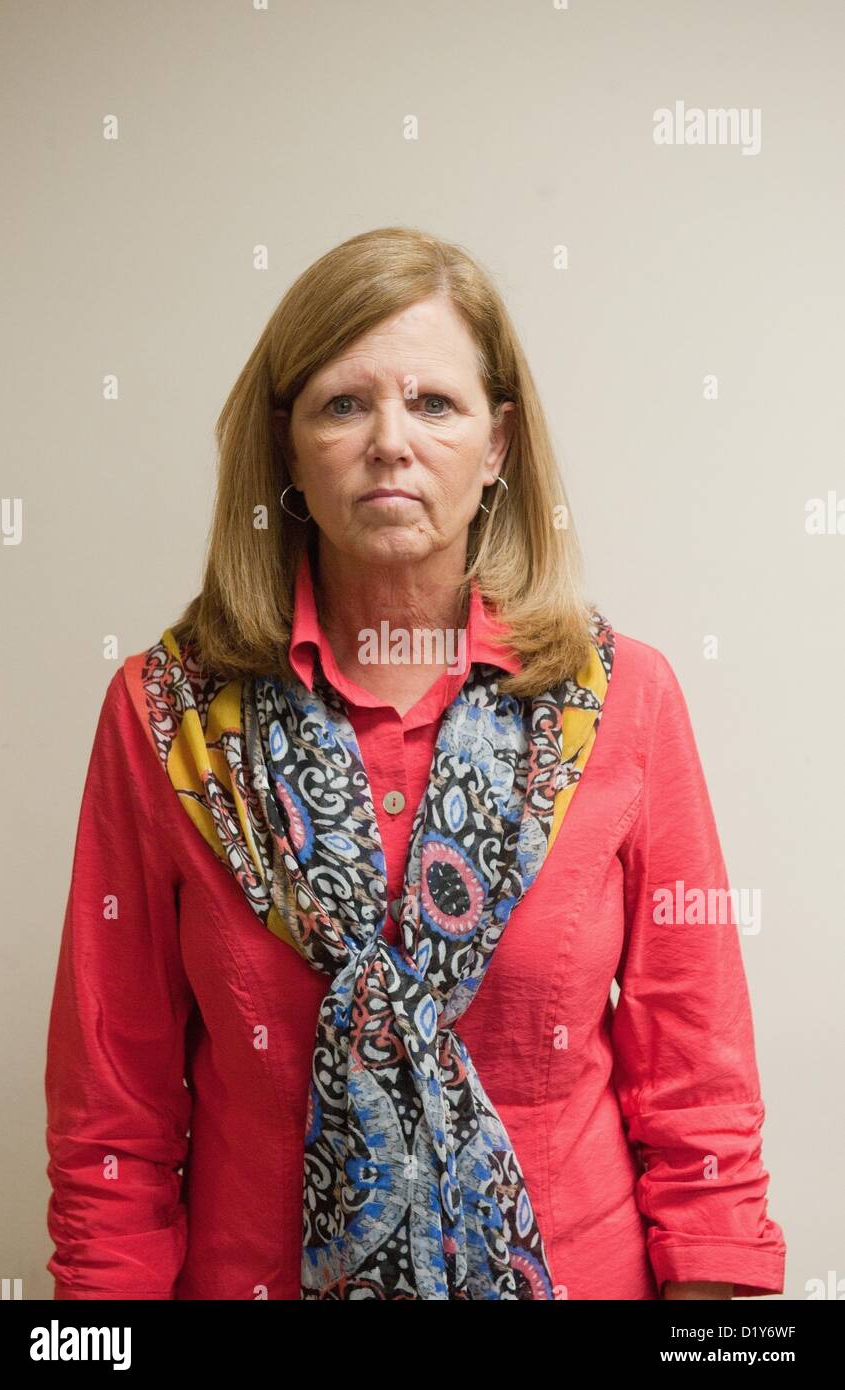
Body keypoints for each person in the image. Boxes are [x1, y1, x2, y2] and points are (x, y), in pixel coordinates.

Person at [44, 225, 786, 1301]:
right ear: (287, 448)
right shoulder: (171, 722)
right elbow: (114, 1121)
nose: (390, 440)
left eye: (433, 403)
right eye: (344, 404)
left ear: (496, 445)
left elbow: (699, 1092)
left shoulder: (619, 701)